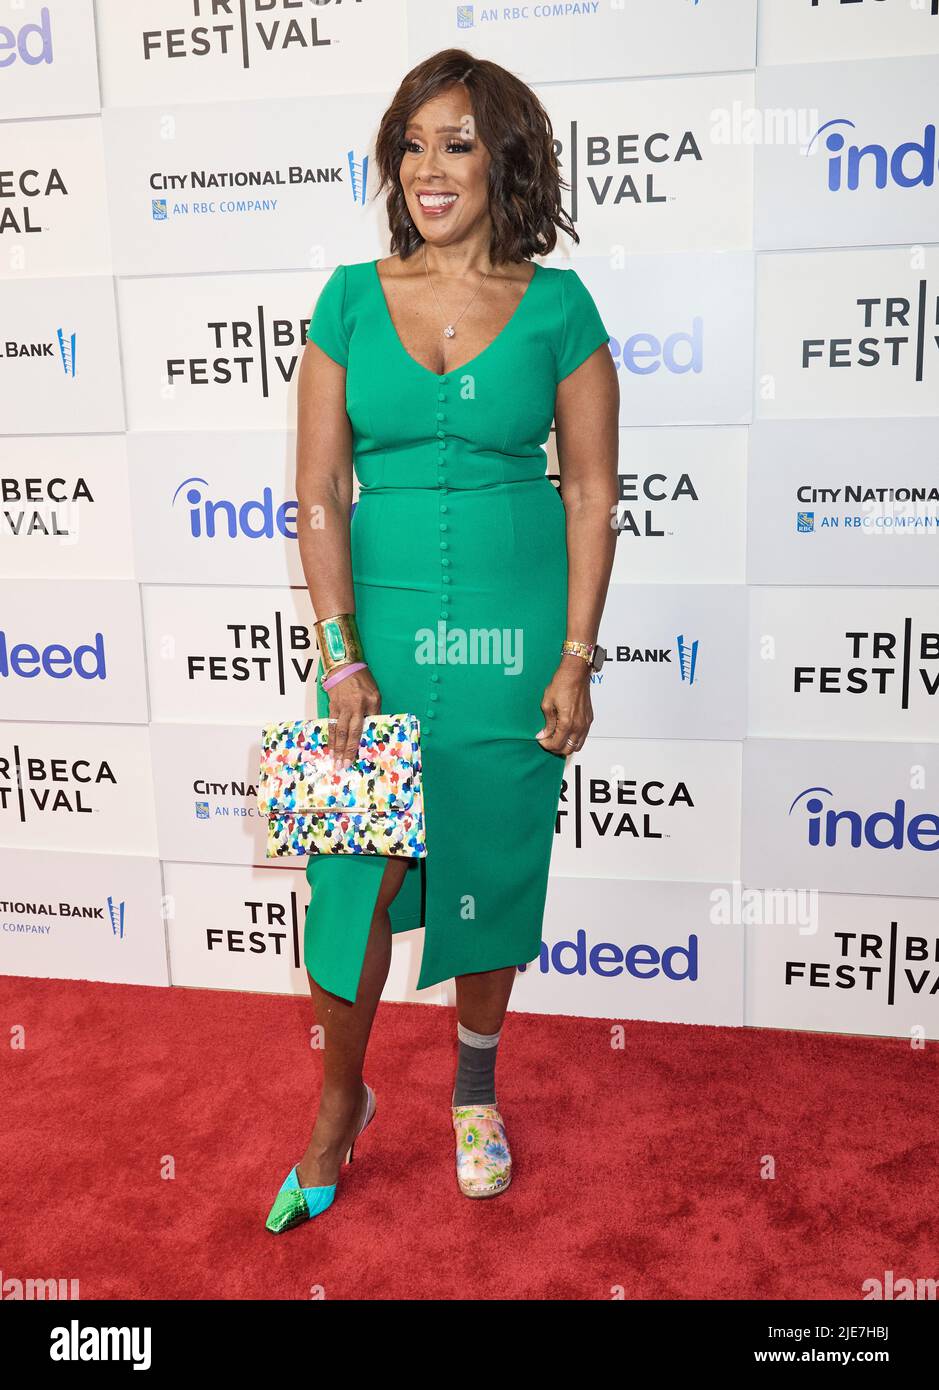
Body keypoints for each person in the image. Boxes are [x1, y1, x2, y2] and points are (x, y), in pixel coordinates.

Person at [266, 47, 619, 1233]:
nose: (428, 166)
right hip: (381, 637)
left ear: (504, 158)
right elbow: (318, 490)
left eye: (457, 141)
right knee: (347, 886)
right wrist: (339, 653)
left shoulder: (559, 305)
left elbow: (590, 491)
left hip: (516, 637)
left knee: (489, 868)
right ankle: (338, 1102)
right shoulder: (349, 297)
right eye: (412, 143)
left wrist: (576, 656)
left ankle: (474, 1085)